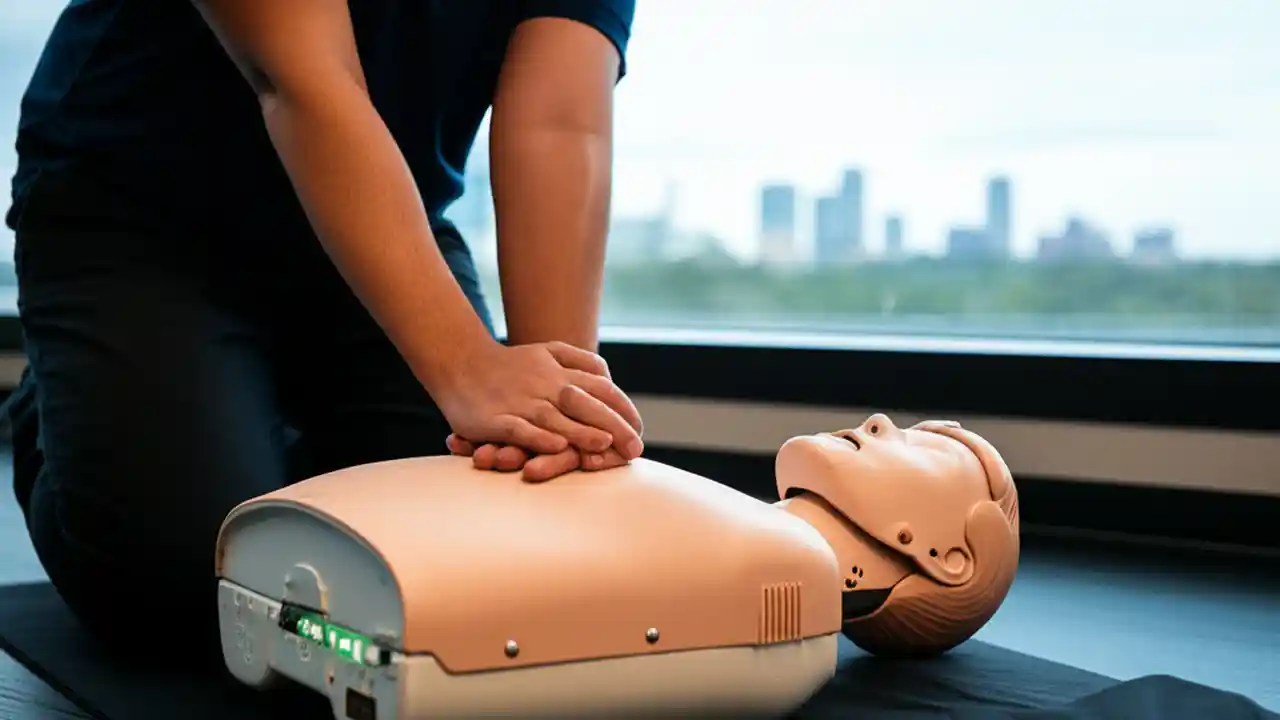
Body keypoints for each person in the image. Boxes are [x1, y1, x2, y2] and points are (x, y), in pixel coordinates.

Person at [3, 0, 642, 660]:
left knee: (468, 562)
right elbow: (303, 76)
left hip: (388, 230)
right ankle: (60, 404)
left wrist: (565, 426)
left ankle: (236, 419)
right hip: (142, 211)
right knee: (204, 585)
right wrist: (466, 365)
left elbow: (561, 125)